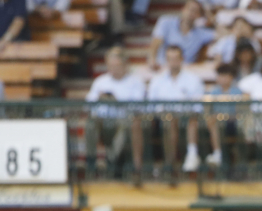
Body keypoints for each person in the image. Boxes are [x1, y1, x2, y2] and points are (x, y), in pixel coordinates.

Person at [86, 46, 146, 184]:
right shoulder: (100, 81)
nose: (113, 69)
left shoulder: (135, 82)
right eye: (110, 65)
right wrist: (100, 98)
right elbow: (87, 104)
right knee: (90, 124)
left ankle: (112, 159)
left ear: (125, 65)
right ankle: (91, 163)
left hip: (124, 121)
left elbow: (138, 106)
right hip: (103, 122)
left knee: (127, 123)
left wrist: (116, 102)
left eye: (117, 65)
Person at [147, 45, 206, 175]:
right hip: (162, 118)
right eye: (170, 58)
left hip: (187, 116)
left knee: (191, 119)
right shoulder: (157, 80)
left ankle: (191, 155)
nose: (173, 62)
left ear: (182, 59)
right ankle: (170, 164)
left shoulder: (193, 79)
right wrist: (164, 112)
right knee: (170, 120)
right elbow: (151, 105)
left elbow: (198, 105)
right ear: (166, 60)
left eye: (176, 58)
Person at [148, 0, 214, 68]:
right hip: (163, 67)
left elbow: (219, 35)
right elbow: (156, 41)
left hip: (186, 70)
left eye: (195, 11)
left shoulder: (202, 34)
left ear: (199, 15)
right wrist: (152, 59)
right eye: (190, 9)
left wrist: (210, 16)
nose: (191, 13)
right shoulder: (166, 22)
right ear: (183, 9)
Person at [203, 63, 241, 169]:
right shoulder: (213, 92)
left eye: (226, 76)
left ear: (231, 77)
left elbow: (239, 112)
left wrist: (223, 116)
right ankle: (217, 153)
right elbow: (208, 110)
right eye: (220, 76)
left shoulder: (237, 92)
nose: (223, 79)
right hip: (216, 123)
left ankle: (219, 154)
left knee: (214, 121)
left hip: (233, 123)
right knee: (212, 122)